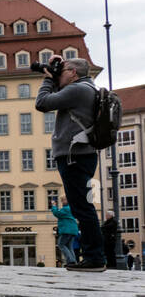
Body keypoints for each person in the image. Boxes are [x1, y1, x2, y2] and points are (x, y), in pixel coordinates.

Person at [36, 56, 107, 271]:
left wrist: (48, 79)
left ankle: (95, 258)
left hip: (73, 156)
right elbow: (58, 93)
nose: (60, 73)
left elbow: (42, 103)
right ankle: (94, 256)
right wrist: (56, 73)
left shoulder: (78, 90)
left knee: (83, 209)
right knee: (82, 207)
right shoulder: (87, 89)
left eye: (64, 70)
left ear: (73, 72)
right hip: (81, 154)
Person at [51, 199, 79, 267]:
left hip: (67, 230)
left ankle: (71, 261)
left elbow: (57, 213)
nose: (62, 202)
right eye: (62, 200)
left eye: (63, 200)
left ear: (67, 200)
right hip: (73, 230)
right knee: (69, 246)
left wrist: (54, 206)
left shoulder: (66, 209)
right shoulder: (71, 208)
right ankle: (74, 261)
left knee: (61, 244)